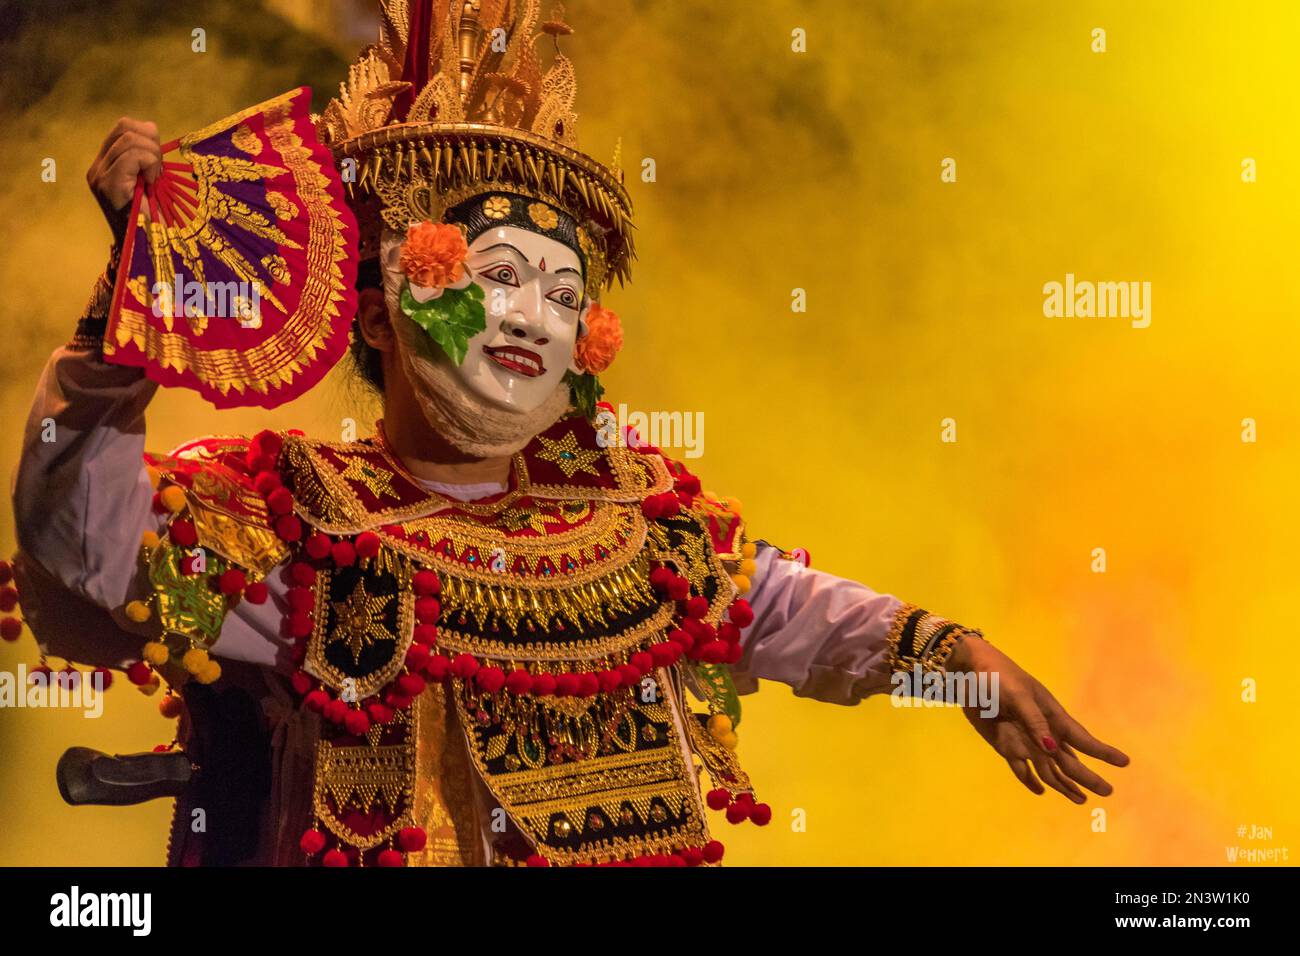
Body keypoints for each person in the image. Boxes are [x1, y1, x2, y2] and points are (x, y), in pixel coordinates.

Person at [8, 0, 1127, 867]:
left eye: (560, 291)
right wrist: (128, 306)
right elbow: (83, 541)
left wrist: (953, 658)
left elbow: (786, 607)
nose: (531, 319)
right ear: (383, 315)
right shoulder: (294, 524)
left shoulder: (635, 527)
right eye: (495, 276)